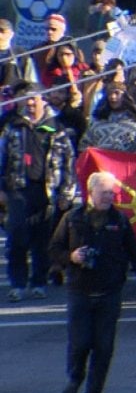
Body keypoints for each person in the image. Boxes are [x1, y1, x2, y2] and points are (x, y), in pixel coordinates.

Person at [50, 171, 136, 393]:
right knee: (80, 343)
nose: (110, 196)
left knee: (104, 346)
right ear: (91, 192)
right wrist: (71, 257)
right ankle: (76, 378)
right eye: (105, 192)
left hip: (109, 292)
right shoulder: (72, 218)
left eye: (112, 192)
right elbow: (53, 249)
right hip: (80, 291)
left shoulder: (119, 220)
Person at [2, 82, 77, 302]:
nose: (31, 103)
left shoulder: (56, 127)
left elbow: (68, 162)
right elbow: (1, 158)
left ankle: (38, 282)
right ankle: (17, 283)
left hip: (47, 192)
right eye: (27, 99)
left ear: (43, 100)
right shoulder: (13, 126)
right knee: (17, 237)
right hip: (17, 189)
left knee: (42, 240)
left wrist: (67, 193)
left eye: (35, 98)